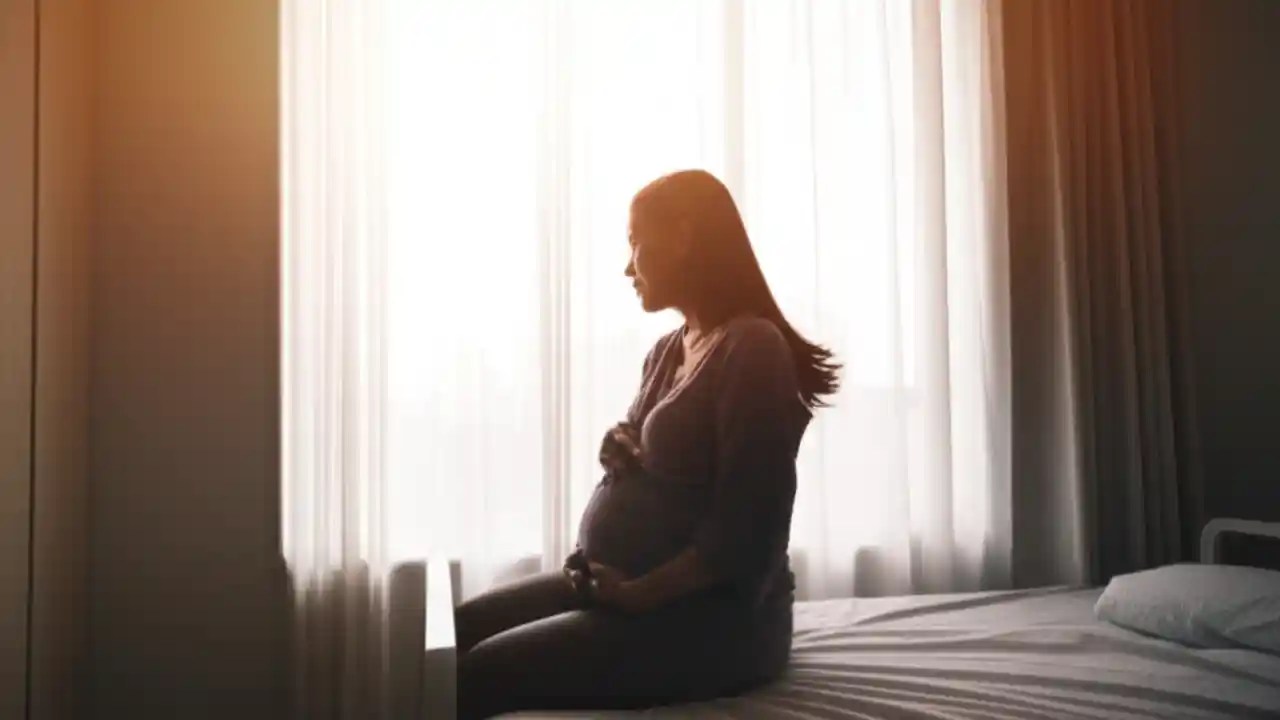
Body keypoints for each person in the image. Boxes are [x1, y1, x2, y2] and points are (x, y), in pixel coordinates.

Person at [454, 169, 840, 718]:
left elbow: (749, 531)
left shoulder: (752, 348)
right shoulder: (668, 350)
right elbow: (649, 449)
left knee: (481, 674)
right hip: (621, 587)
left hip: (709, 621)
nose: (627, 265)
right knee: (459, 629)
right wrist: (620, 445)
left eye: (636, 242)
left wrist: (639, 596)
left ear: (682, 237)